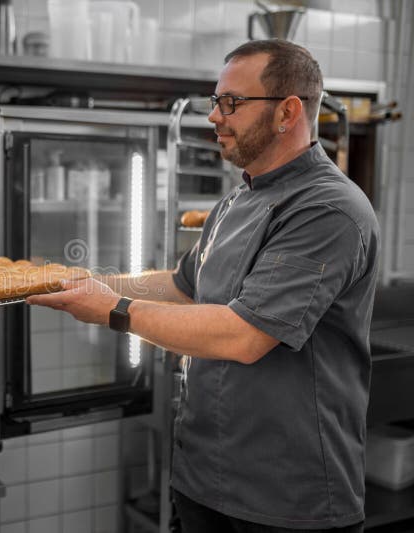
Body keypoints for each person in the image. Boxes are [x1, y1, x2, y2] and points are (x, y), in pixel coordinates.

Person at [28, 39, 379, 532]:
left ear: (288, 112)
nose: (215, 117)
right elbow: (179, 284)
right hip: (205, 480)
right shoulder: (237, 200)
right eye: (215, 102)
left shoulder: (327, 210)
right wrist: (87, 283)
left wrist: (113, 309)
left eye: (231, 103)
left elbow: (244, 335)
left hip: (287, 497)